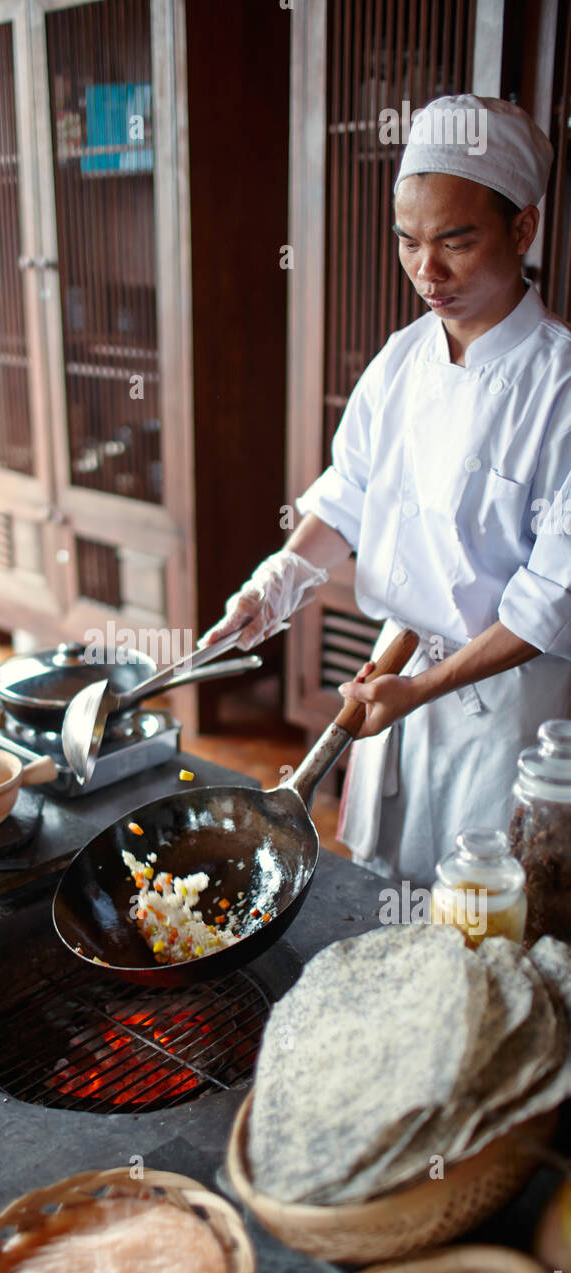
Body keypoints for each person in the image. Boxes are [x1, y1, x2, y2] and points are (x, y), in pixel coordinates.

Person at [203, 95, 571, 888]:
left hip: (499, 711)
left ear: (523, 228)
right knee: (380, 894)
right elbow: (350, 492)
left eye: (455, 243)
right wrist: (275, 585)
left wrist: (420, 689)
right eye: (407, 242)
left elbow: (549, 601)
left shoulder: (561, 382)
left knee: (480, 921)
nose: (426, 272)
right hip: (394, 678)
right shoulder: (405, 357)